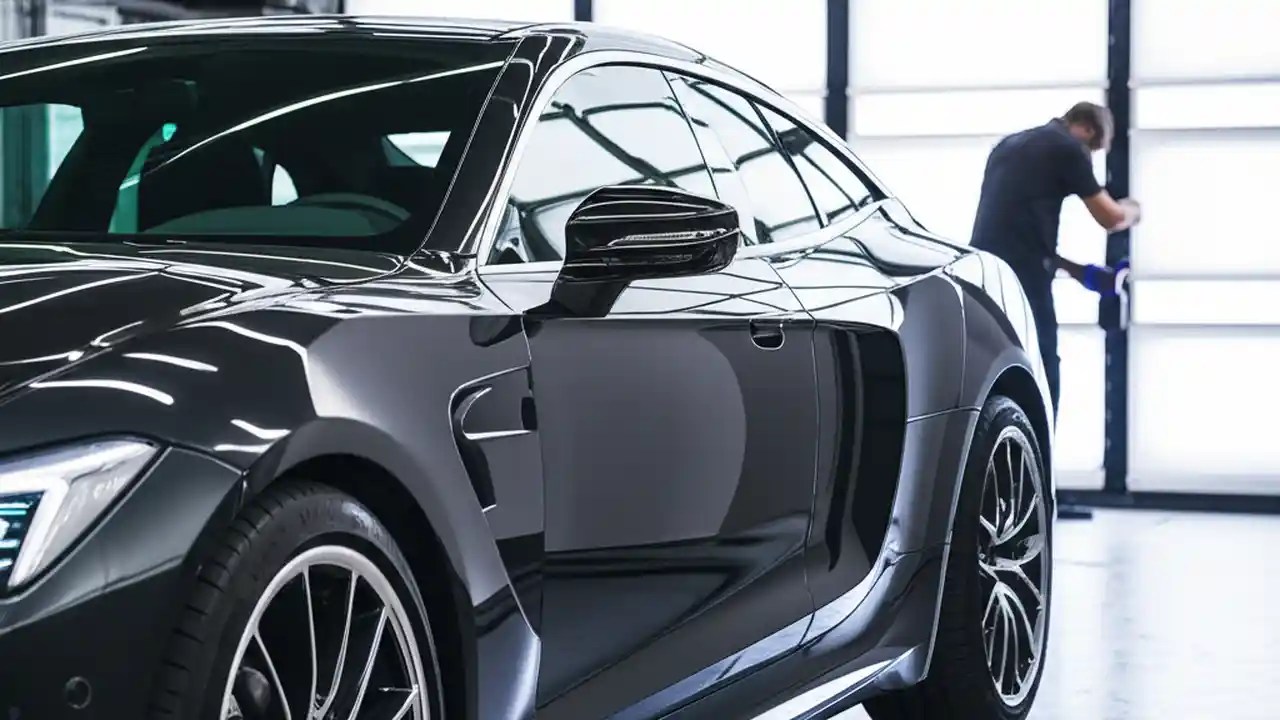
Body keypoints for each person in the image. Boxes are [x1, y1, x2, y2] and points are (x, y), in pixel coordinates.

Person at [971, 101, 1141, 417]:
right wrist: (1134, 209)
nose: (1090, 156)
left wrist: (1076, 270)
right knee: (1045, 371)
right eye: (1095, 147)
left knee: (1000, 366)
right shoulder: (1067, 148)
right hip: (1025, 279)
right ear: (1087, 129)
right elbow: (1111, 218)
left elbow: (1015, 231)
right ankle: (1041, 462)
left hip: (985, 273)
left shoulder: (1009, 145)